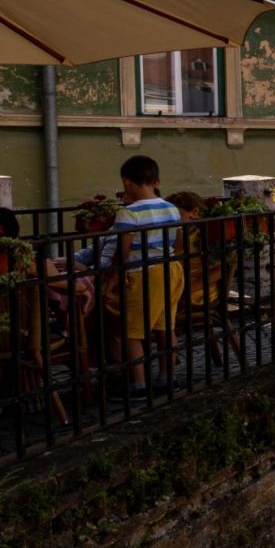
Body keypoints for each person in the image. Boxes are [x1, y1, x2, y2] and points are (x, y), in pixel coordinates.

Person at [101, 156, 185, 398]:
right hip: (170, 269)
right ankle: (167, 378)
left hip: (143, 273)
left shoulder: (128, 214)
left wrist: (115, 277)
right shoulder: (171, 208)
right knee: (165, 327)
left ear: (127, 182)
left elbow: (123, 250)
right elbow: (178, 243)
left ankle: (139, 385)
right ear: (155, 180)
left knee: (132, 331)